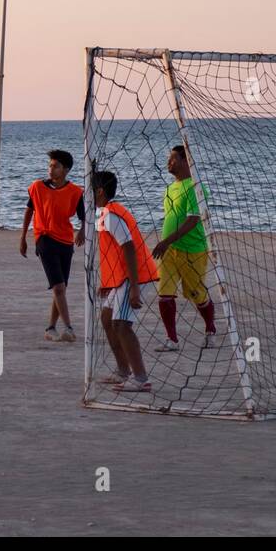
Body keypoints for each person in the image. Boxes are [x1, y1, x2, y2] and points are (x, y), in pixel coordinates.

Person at [92, 170, 157, 393]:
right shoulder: (104, 214)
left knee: (122, 325)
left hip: (135, 276)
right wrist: (109, 281)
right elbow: (113, 252)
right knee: (107, 316)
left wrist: (135, 288)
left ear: (99, 191)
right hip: (121, 278)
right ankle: (123, 371)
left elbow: (128, 247)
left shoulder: (112, 215)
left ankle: (141, 379)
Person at [151, 145, 217, 351]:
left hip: (193, 250)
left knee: (196, 294)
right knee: (164, 294)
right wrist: (167, 243)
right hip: (169, 251)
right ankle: (172, 340)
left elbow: (192, 221)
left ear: (185, 161)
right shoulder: (170, 188)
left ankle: (210, 329)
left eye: (172, 159)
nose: (168, 162)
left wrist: (166, 241)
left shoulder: (196, 187)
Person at [19, 149, 85, 342]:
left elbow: (84, 216)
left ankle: (50, 328)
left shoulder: (75, 192)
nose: (51, 169)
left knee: (61, 287)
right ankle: (69, 328)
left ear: (66, 170)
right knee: (58, 288)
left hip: (65, 241)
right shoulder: (37, 187)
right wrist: (23, 237)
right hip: (44, 239)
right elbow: (29, 211)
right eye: (50, 165)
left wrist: (82, 231)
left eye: (55, 166)